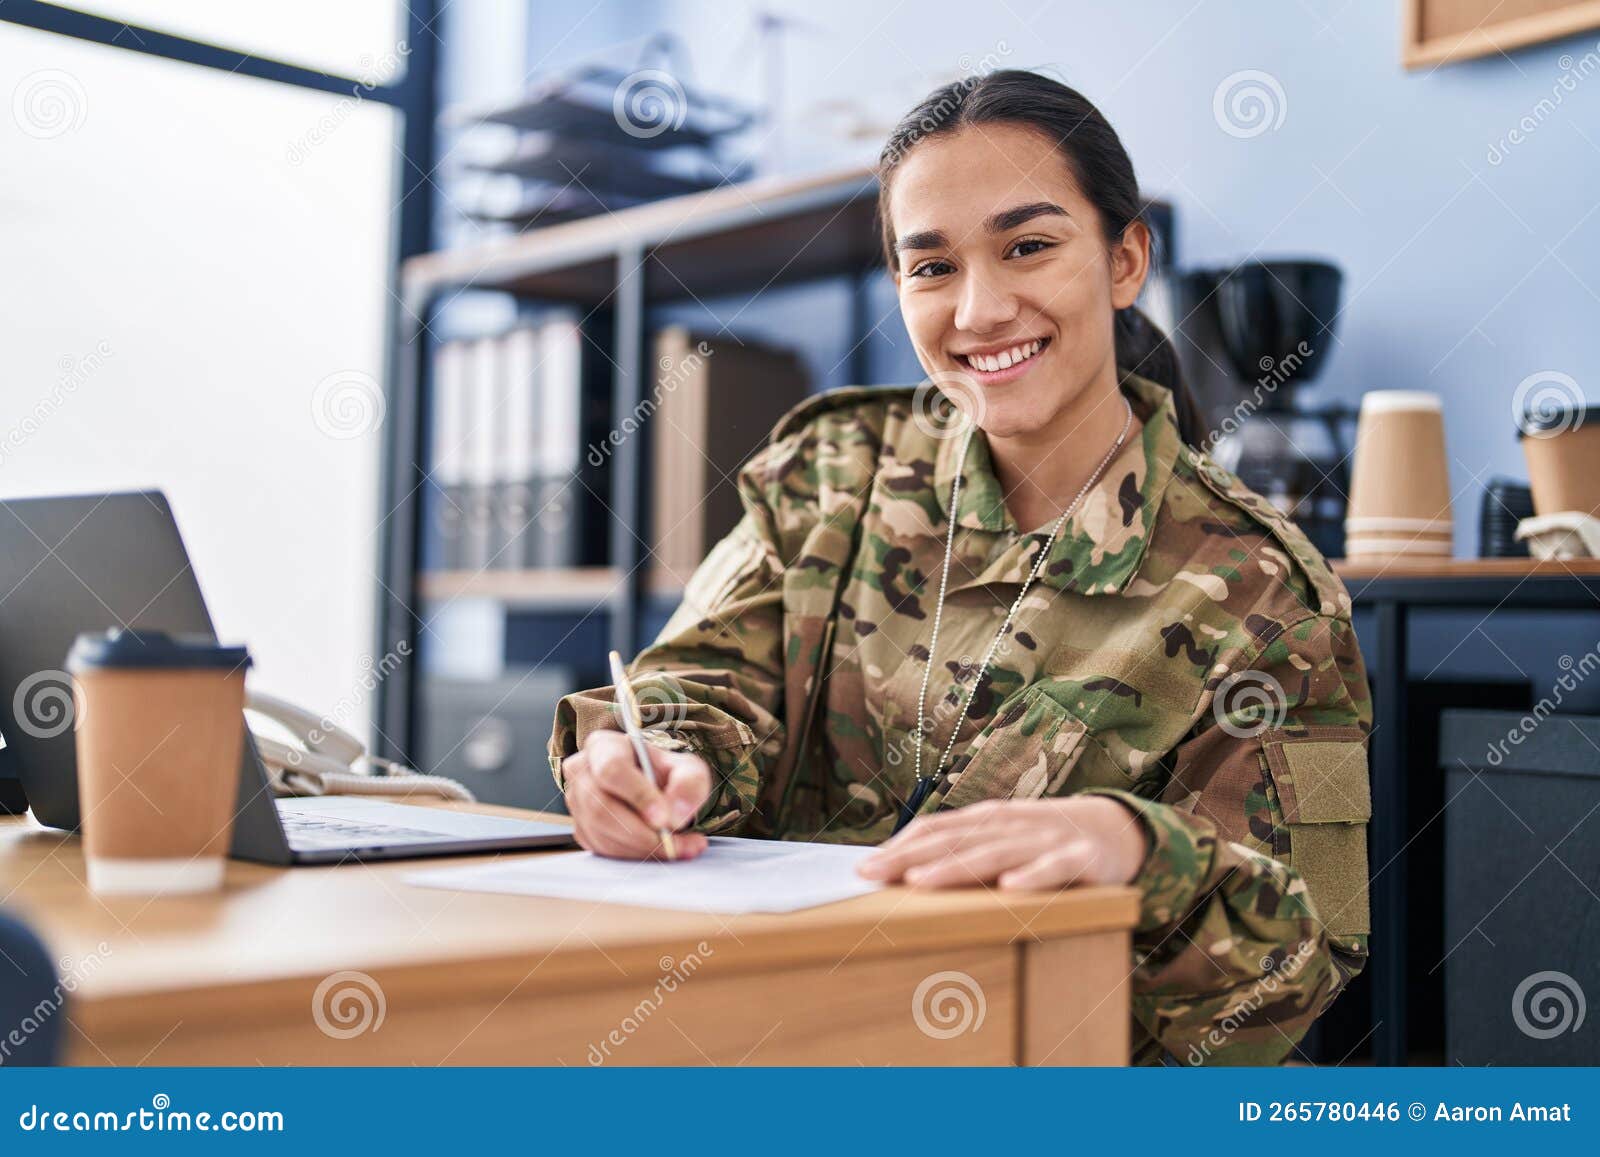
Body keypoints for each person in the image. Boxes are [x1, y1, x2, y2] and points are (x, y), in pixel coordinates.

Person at [549, 69, 1371, 1065]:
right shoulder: (832, 476)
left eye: (1028, 247)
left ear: (1123, 260)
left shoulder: (1261, 588)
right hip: (754, 1040)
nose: (978, 310)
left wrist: (1135, 850)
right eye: (930, 266)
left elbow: (1299, 959)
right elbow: (709, 678)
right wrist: (654, 763)